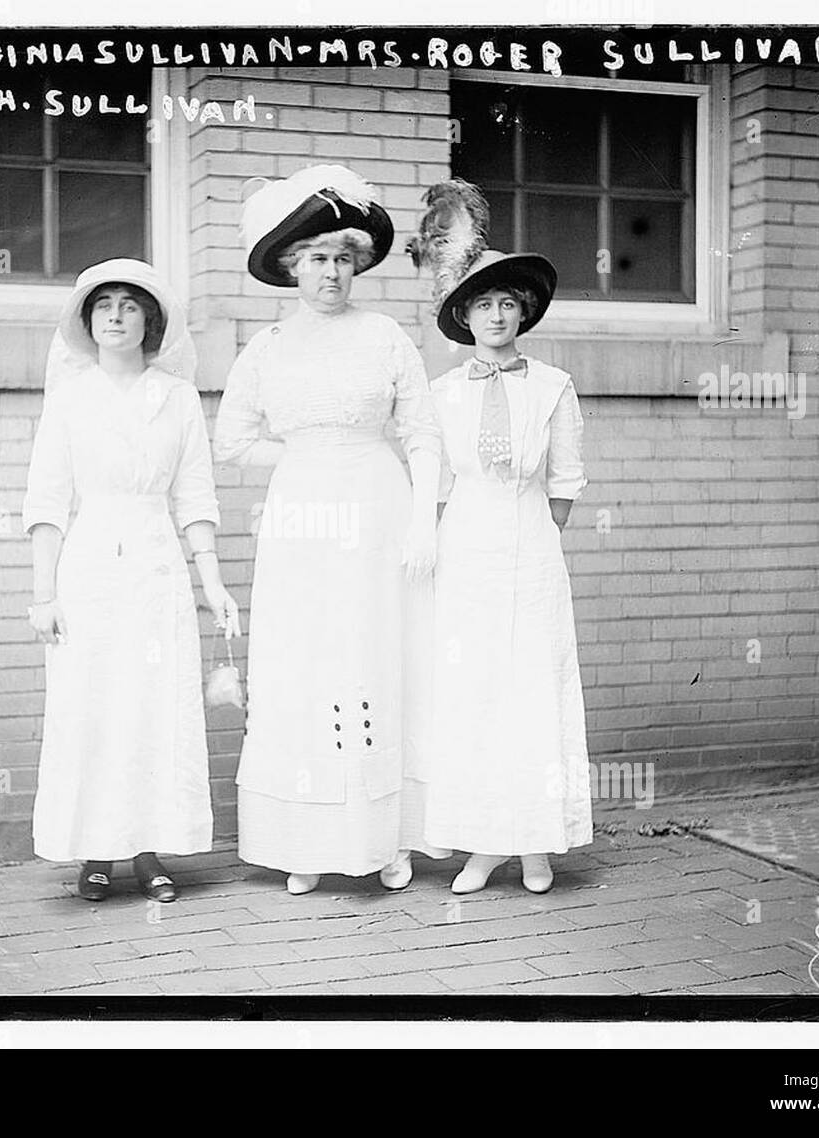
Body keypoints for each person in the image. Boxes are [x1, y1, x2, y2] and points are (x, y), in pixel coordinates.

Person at [213, 165, 449, 895]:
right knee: (306, 666)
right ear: (291, 267)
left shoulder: (384, 338)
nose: (331, 273)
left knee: (376, 657)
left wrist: (420, 521)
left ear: (358, 265)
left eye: (344, 258)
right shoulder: (268, 348)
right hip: (302, 519)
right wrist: (303, 457)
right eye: (316, 258)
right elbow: (232, 440)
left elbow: (424, 436)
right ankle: (306, 844)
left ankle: (387, 840)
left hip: (377, 511)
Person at [22, 258, 240, 904]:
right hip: (88, 569)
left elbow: (195, 498)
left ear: (150, 322)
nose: (116, 315)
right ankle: (94, 853)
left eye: (129, 305)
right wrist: (43, 593)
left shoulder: (174, 401)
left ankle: (147, 850)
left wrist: (214, 584)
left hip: (155, 568)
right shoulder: (69, 400)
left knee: (151, 705)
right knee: (92, 703)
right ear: (89, 323)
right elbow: (47, 501)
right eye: (104, 305)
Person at [409, 180, 593, 895]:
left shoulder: (552, 386)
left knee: (532, 692)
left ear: (524, 313)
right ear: (465, 315)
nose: (496, 315)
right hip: (467, 551)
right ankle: (484, 846)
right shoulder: (443, 392)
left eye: (507, 303)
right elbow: (436, 480)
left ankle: (538, 845)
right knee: (476, 692)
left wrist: (534, 543)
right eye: (483, 304)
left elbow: (566, 483)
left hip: (532, 550)